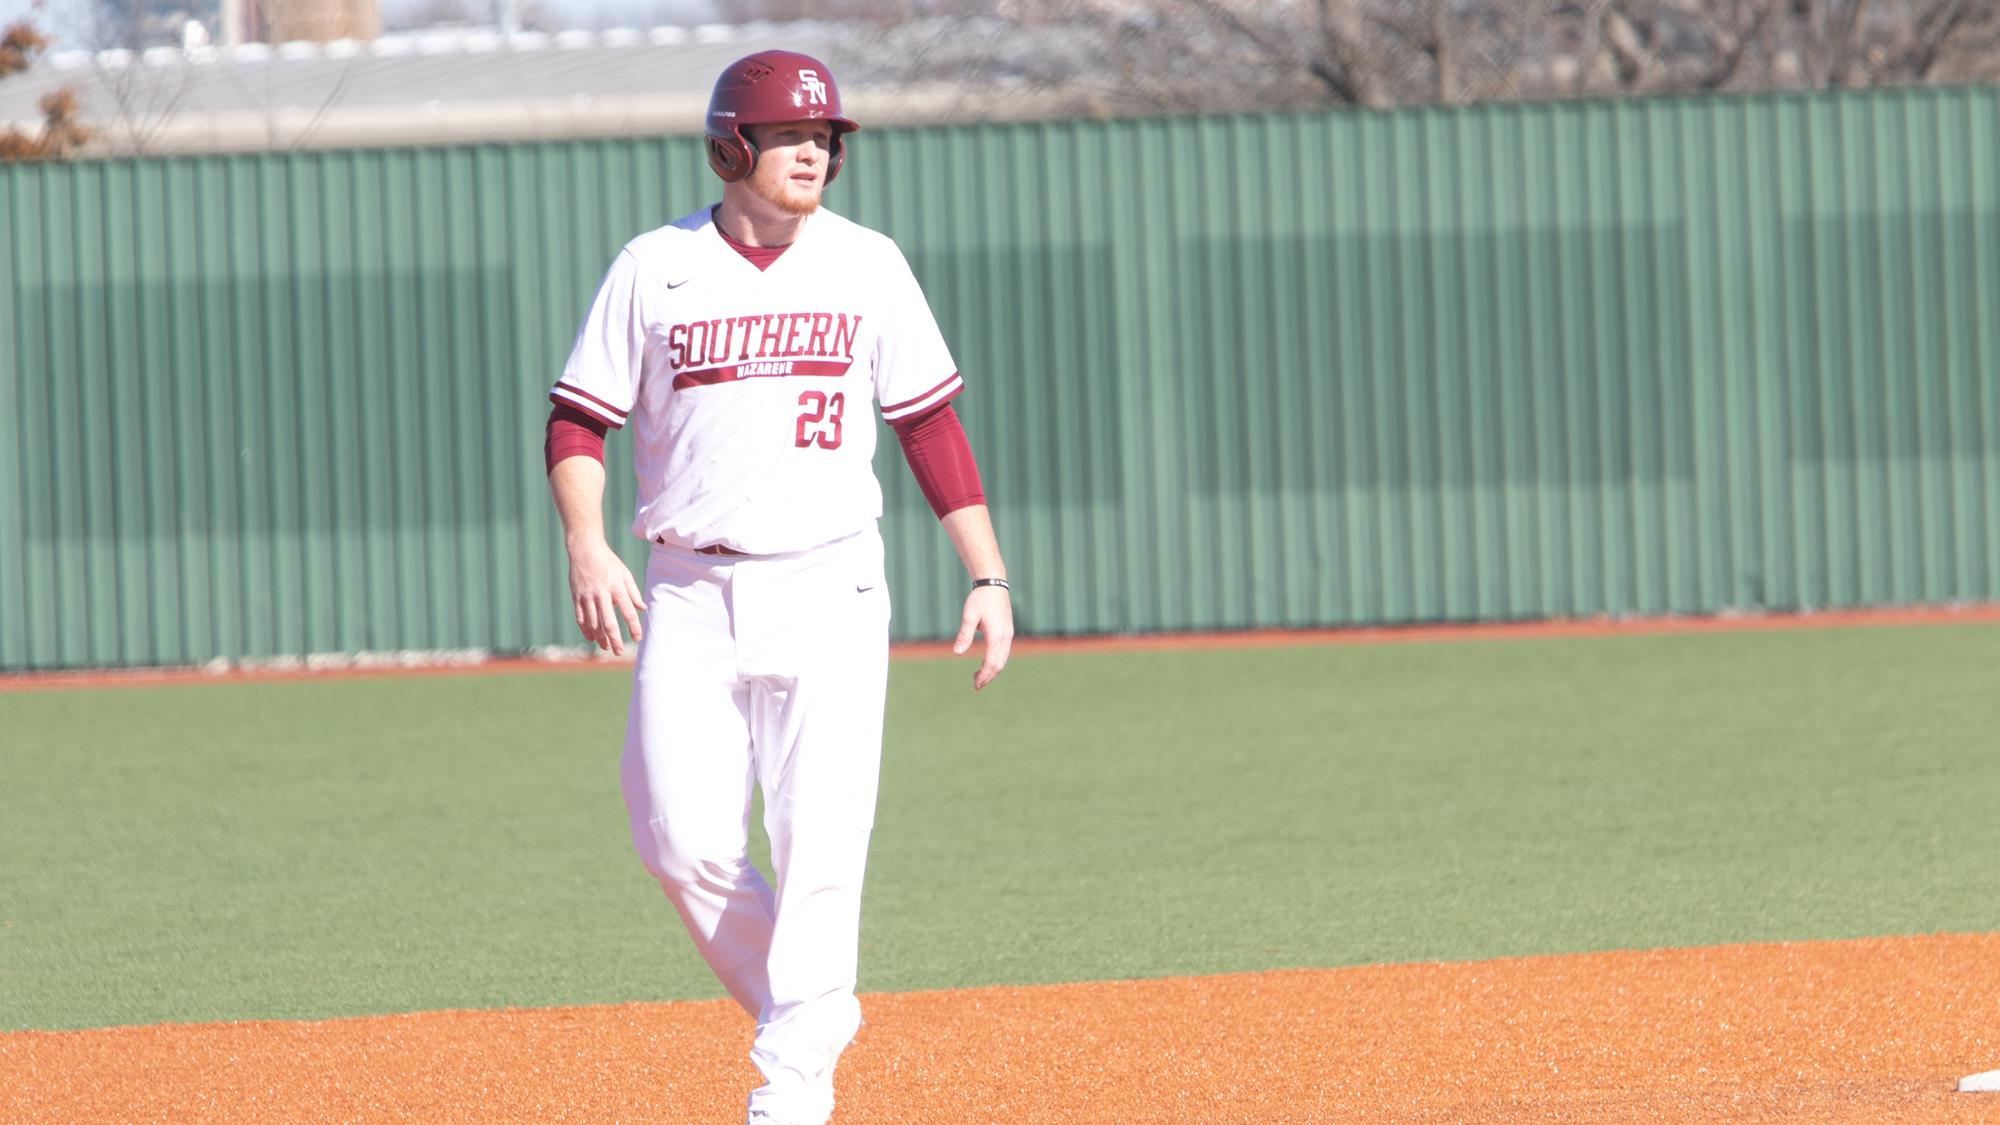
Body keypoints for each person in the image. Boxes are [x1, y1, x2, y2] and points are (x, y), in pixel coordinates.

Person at [541, 49, 1013, 1125]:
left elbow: (927, 422)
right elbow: (578, 417)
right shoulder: (654, 268)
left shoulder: (866, 264)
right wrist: (584, 540)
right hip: (689, 588)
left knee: (819, 845)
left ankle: (790, 1092)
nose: (814, 151)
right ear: (729, 146)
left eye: (826, 137)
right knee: (676, 837)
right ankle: (811, 1009)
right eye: (791, 134)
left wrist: (983, 572)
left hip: (829, 584)